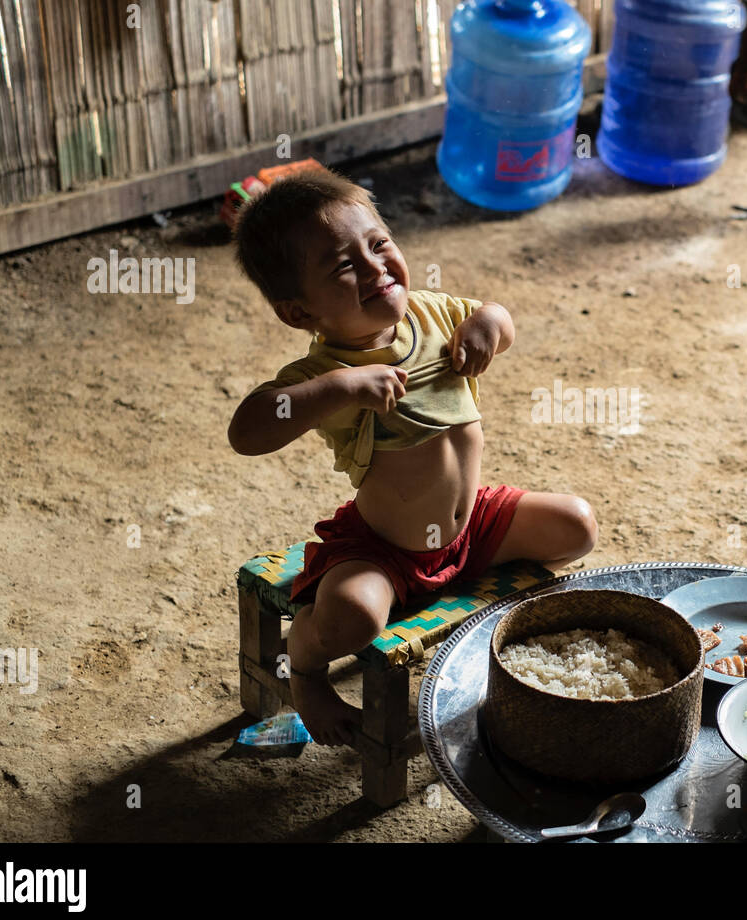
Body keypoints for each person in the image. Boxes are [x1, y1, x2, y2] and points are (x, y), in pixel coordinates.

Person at [228, 169, 596, 745]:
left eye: (379, 244)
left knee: (577, 526)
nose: (376, 268)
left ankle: (464, 603)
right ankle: (303, 667)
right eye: (343, 266)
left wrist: (486, 325)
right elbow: (247, 431)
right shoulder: (324, 373)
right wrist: (340, 390)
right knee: (353, 618)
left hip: (472, 523)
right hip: (384, 550)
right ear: (297, 312)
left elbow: (500, 317)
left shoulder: (433, 314)